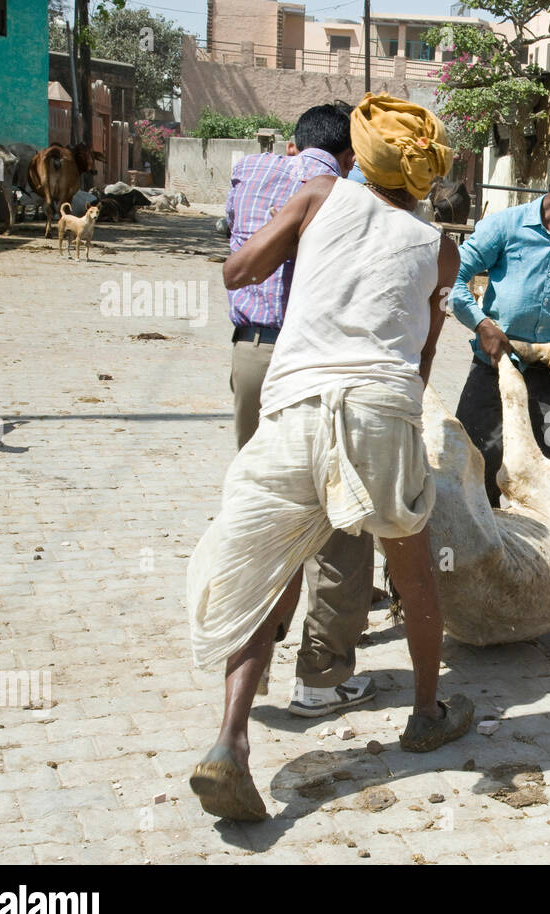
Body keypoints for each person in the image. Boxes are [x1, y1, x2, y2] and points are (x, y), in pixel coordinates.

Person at [187, 94, 470, 821]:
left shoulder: (317, 193)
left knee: (265, 571)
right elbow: (425, 352)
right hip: (379, 408)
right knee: (411, 567)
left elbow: (236, 271)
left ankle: (229, 739)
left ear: (362, 153)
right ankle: (428, 713)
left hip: (294, 403)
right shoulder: (440, 248)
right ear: (425, 172)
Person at [225, 104, 381, 719]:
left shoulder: (250, 171)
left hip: (250, 358)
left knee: (265, 512)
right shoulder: (340, 194)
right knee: (342, 524)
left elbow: (235, 267)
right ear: (349, 154)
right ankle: (319, 679)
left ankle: (248, 665)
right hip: (313, 370)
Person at [450, 149, 550, 507]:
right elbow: (454, 277)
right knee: (473, 468)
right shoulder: (505, 226)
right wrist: (482, 325)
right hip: (491, 370)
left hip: (549, 378)